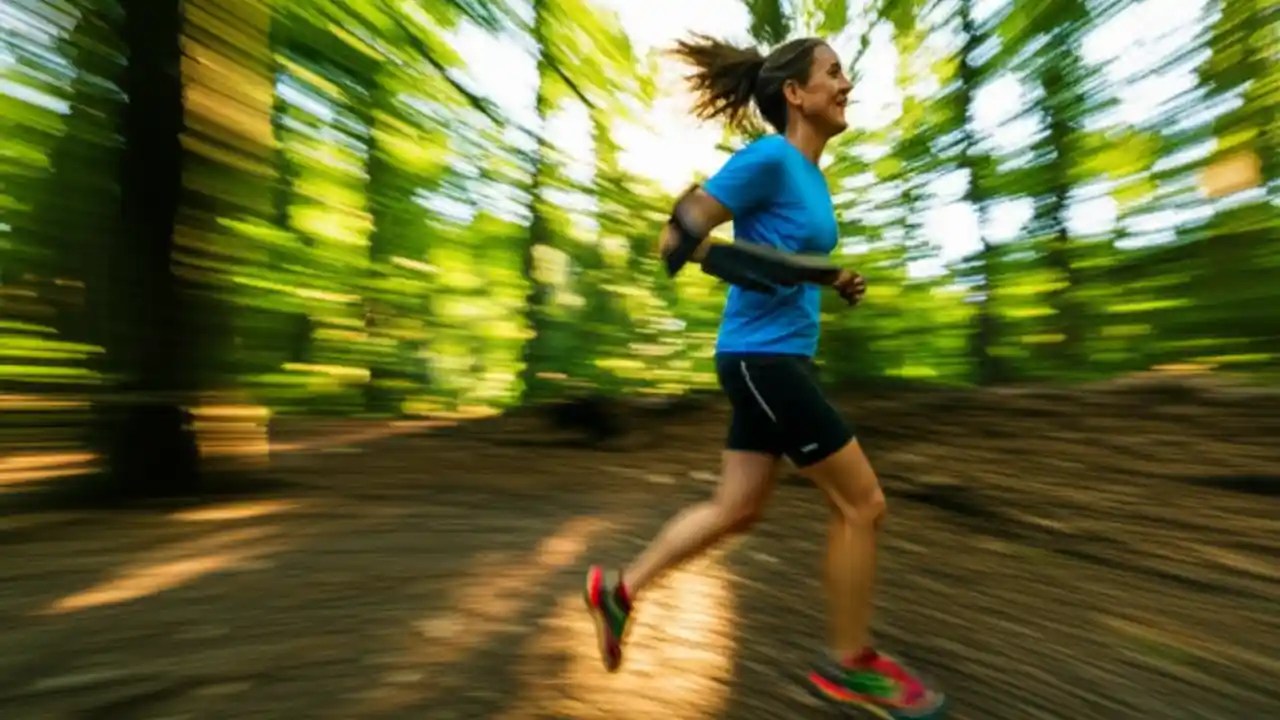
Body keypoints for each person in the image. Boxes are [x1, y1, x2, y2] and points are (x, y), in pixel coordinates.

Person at [582, 33, 947, 719]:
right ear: (795, 93)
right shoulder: (770, 157)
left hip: (774, 358)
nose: (847, 84)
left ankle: (619, 590)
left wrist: (826, 276)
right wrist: (798, 270)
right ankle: (849, 664)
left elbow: (782, 254)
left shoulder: (808, 174)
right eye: (834, 73)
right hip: (762, 360)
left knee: (739, 507)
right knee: (862, 505)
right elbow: (680, 236)